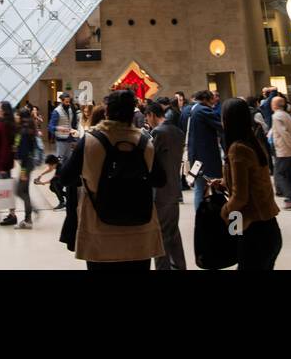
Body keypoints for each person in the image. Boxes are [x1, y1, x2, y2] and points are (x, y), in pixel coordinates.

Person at [65, 88, 163, 269]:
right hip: (140, 233)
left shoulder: (89, 141)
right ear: (132, 113)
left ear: (107, 112)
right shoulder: (144, 142)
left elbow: (65, 177)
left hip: (99, 233)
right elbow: (160, 180)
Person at [208, 97, 281, 270]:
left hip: (253, 230)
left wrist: (223, 213)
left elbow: (240, 197)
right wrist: (225, 182)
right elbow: (252, 181)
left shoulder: (237, 149)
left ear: (228, 120)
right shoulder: (253, 142)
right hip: (269, 226)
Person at [145, 100, 185, 269]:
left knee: (160, 236)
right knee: (173, 233)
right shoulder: (177, 131)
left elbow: (149, 159)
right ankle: (180, 266)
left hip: (160, 191)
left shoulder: (158, 133)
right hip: (174, 187)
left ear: (151, 115)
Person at [185, 89, 223, 213]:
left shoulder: (192, 109)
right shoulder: (203, 110)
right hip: (206, 156)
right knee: (211, 186)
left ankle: (200, 215)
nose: (215, 101)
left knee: (199, 188)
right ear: (206, 99)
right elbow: (221, 126)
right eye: (212, 98)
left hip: (196, 155)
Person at [269, 95, 291, 209]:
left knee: (281, 174)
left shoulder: (276, 116)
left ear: (274, 105)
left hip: (284, 151)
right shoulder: (286, 115)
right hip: (290, 150)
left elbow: (284, 134)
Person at [13, 108, 40, 229]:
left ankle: (30, 216)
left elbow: (23, 153)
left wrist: (23, 171)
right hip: (28, 163)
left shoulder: (24, 131)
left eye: (18, 115)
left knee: (19, 191)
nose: (16, 117)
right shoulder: (28, 129)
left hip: (26, 164)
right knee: (24, 191)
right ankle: (28, 217)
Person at [49, 90, 81, 166]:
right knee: (60, 160)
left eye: (69, 101)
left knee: (68, 160)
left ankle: (65, 176)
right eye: (66, 102)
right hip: (60, 140)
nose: (68, 103)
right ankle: (59, 175)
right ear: (61, 101)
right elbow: (50, 127)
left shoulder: (70, 109)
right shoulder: (56, 111)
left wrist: (73, 130)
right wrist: (59, 128)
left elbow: (71, 123)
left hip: (69, 139)